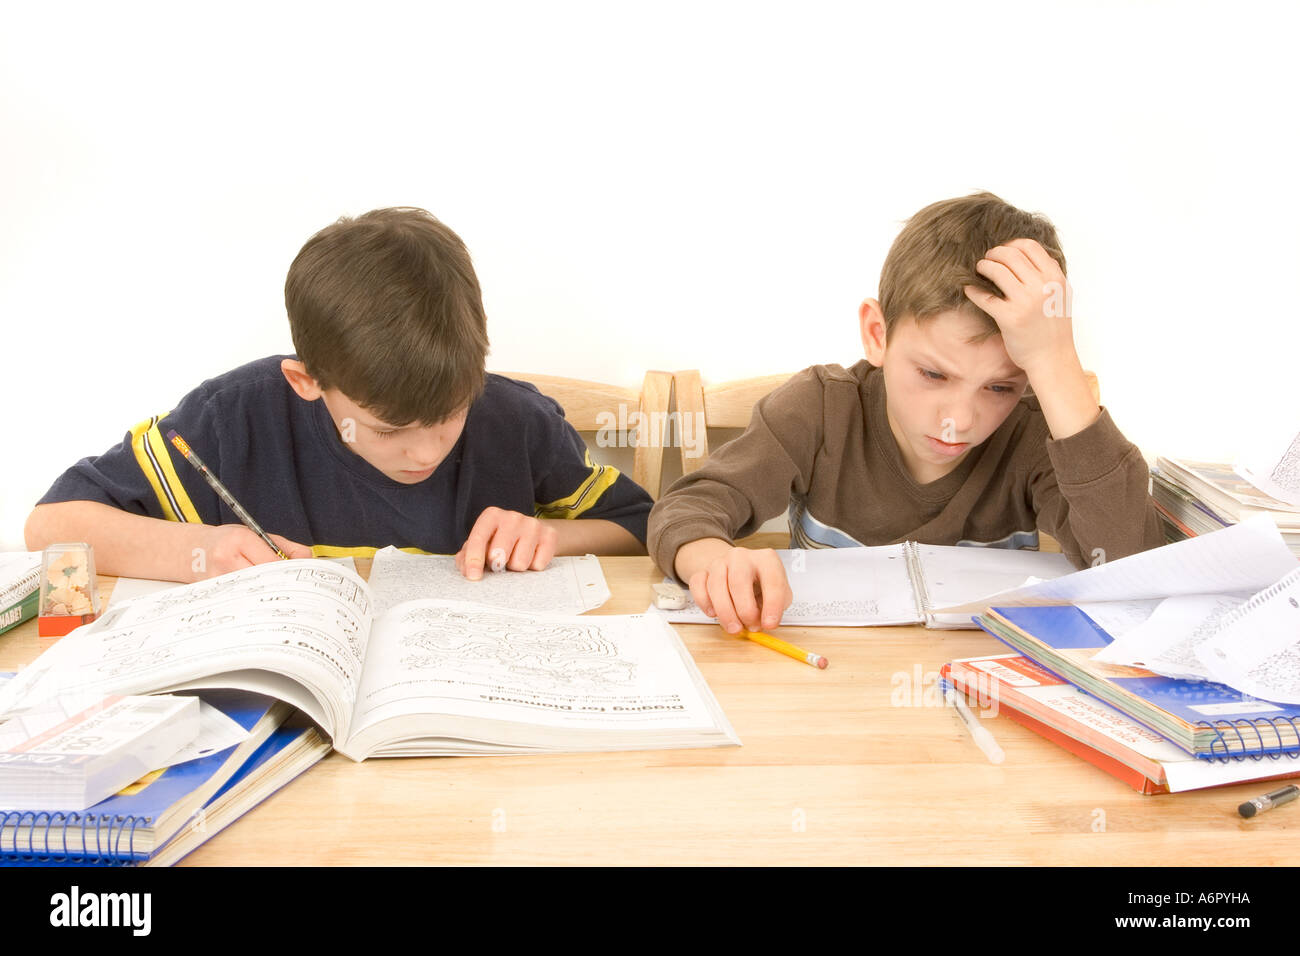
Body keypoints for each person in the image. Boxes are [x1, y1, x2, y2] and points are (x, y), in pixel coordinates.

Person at [25, 207, 652, 582]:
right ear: (307, 382)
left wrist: (553, 536)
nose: (425, 452)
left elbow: (640, 523)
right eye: (386, 430)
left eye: (449, 416)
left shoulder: (512, 419)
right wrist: (200, 549)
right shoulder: (234, 418)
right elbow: (51, 526)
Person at [647, 192, 1163, 633]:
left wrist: (1054, 362)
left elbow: (1131, 568)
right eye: (934, 375)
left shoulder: (1036, 432)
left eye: (1000, 386)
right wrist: (713, 560)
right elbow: (688, 507)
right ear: (878, 334)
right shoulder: (820, 408)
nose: (958, 420)